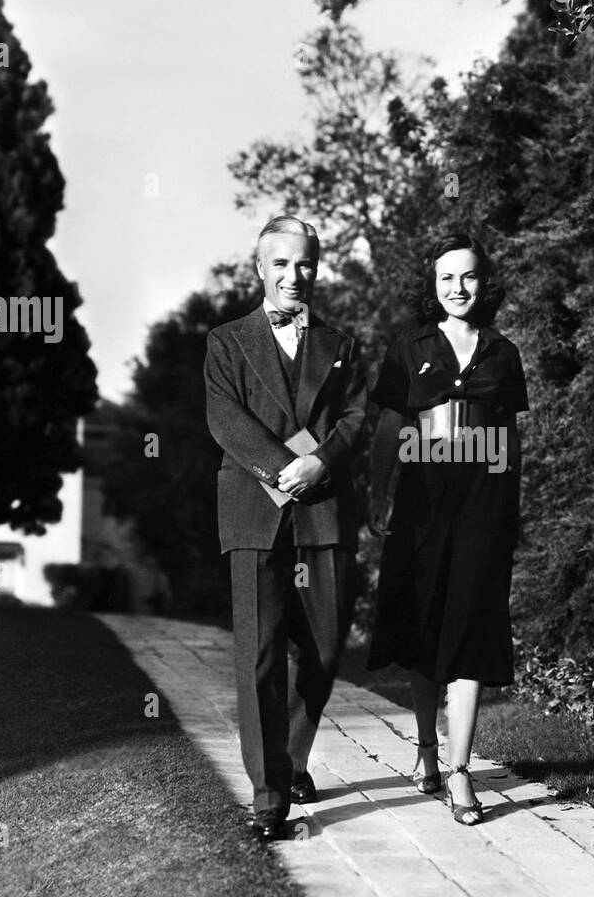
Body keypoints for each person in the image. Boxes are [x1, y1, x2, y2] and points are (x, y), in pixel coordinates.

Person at [204, 215, 367, 841]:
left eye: (304, 264)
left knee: (324, 652)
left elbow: (356, 415)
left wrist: (319, 462)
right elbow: (225, 418)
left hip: (324, 508)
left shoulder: (341, 342)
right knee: (261, 657)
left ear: (316, 268)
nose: (293, 275)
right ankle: (270, 796)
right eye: (281, 264)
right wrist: (282, 468)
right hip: (253, 511)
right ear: (260, 268)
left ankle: (291, 758)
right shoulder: (226, 340)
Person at [367, 232, 529, 826]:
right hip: (420, 504)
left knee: (471, 621)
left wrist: (511, 511)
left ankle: (460, 771)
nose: (458, 289)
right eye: (446, 279)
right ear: (432, 287)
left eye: (468, 277)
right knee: (424, 622)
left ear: (484, 284)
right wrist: (379, 494)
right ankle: (427, 749)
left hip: (483, 506)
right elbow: (389, 429)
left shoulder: (504, 353)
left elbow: (509, 437)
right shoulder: (407, 349)